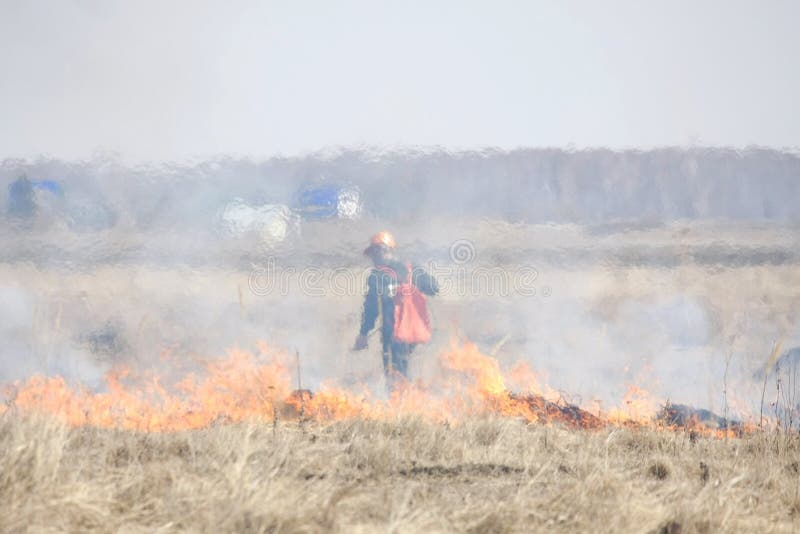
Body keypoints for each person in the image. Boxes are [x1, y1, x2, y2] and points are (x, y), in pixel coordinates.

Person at [353, 231, 439, 389]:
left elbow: (371, 308)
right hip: (413, 332)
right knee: (403, 367)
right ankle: (407, 403)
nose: (372, 259)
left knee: (395, 371)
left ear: (382, 251)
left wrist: (364, 333)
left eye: (374, 254)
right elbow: (434, 288)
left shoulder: (377, 276)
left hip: (393, 334)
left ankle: (401, 405)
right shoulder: (411, 268)